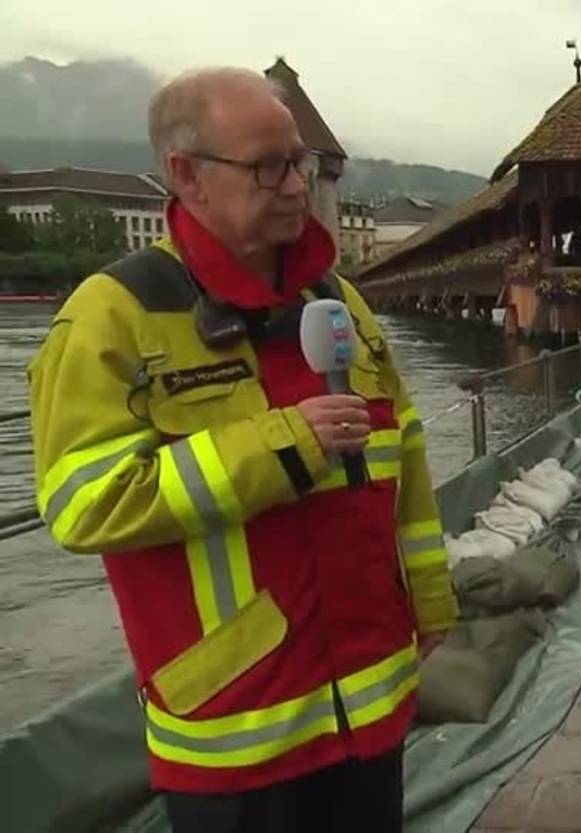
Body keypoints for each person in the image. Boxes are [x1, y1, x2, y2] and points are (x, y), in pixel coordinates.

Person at [27, 68, 458, 833]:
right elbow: (83, 502)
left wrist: (429, 603)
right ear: (186, 176)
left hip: (372, 698)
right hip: (238, 727)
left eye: (302, 163)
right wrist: (285, 444)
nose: (297, 184)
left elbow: (408, 458)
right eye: (269, 166)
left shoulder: (340, 302)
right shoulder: (112, 318)